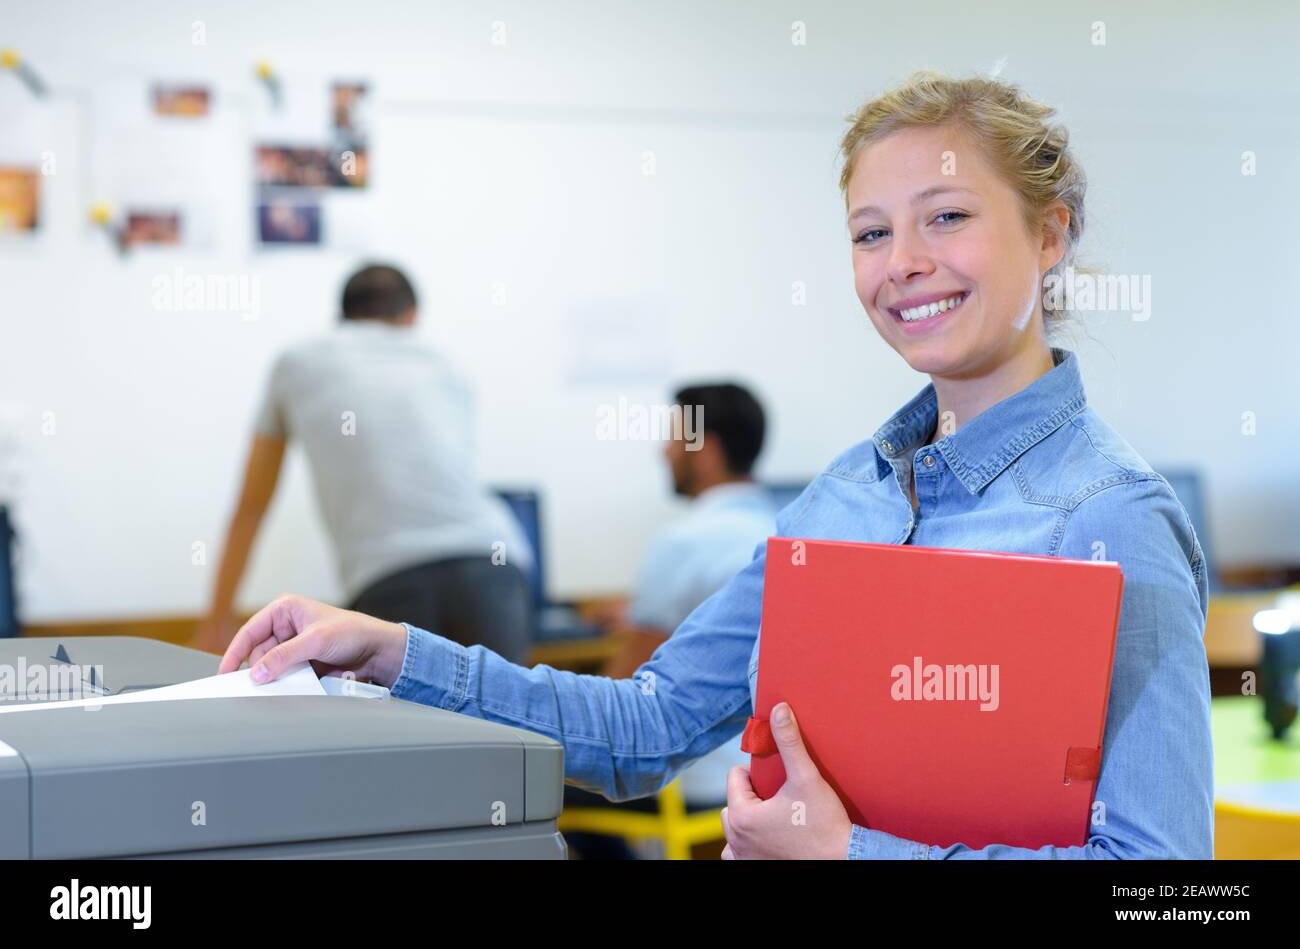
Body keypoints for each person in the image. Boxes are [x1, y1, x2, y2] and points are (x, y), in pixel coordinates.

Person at [219, 72, 1213, 859]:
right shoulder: (841, 500)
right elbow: (642, 729)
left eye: (945, 216)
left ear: (1050, 233)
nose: (900, 259)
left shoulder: (1109, 519)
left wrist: (847, 854)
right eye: (870, 233)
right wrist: (390, 650)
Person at [195, 264, 534, 664]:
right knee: (502, 722)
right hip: (492, 564)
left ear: (343, 315)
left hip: (387, 575)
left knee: (402, 725)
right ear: (411, 317)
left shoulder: (296, 361)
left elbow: (251, 506)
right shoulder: (449, 366)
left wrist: (216, 622)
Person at [566, 382, 777, 858]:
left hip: (691, 783)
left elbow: (620, 690)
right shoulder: (785, 530)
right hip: (761, 775)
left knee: (548, 787)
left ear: (707, 448)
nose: (664, 451)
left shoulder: (684, 541)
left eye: (674, 436)